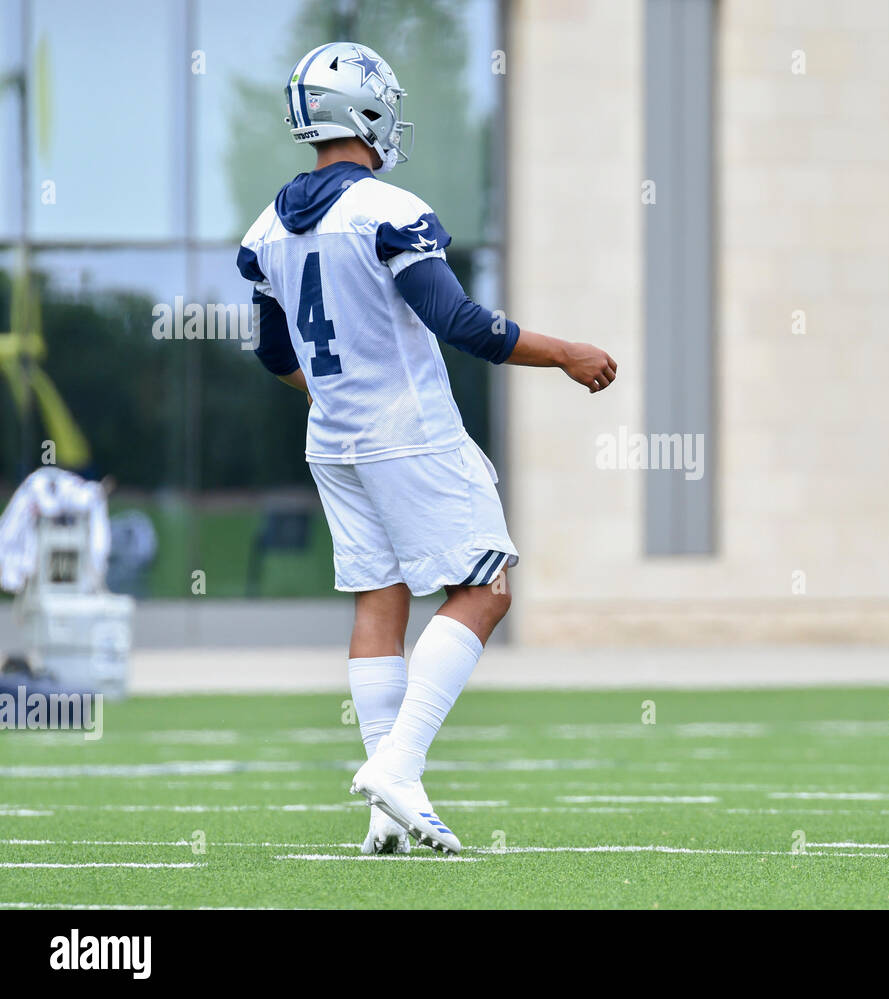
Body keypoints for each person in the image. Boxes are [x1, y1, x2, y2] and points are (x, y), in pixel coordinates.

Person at [237, 43, 616, 855]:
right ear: (364, 113)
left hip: (334, 441)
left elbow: (275, 357)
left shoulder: (267, 227)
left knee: (380, 599)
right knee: (486, 588)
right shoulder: (385, 211)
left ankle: (384, 810)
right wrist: (568, 353)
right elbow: (463, 325)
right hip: (408, 433)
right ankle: (398, 769)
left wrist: (340, 396)